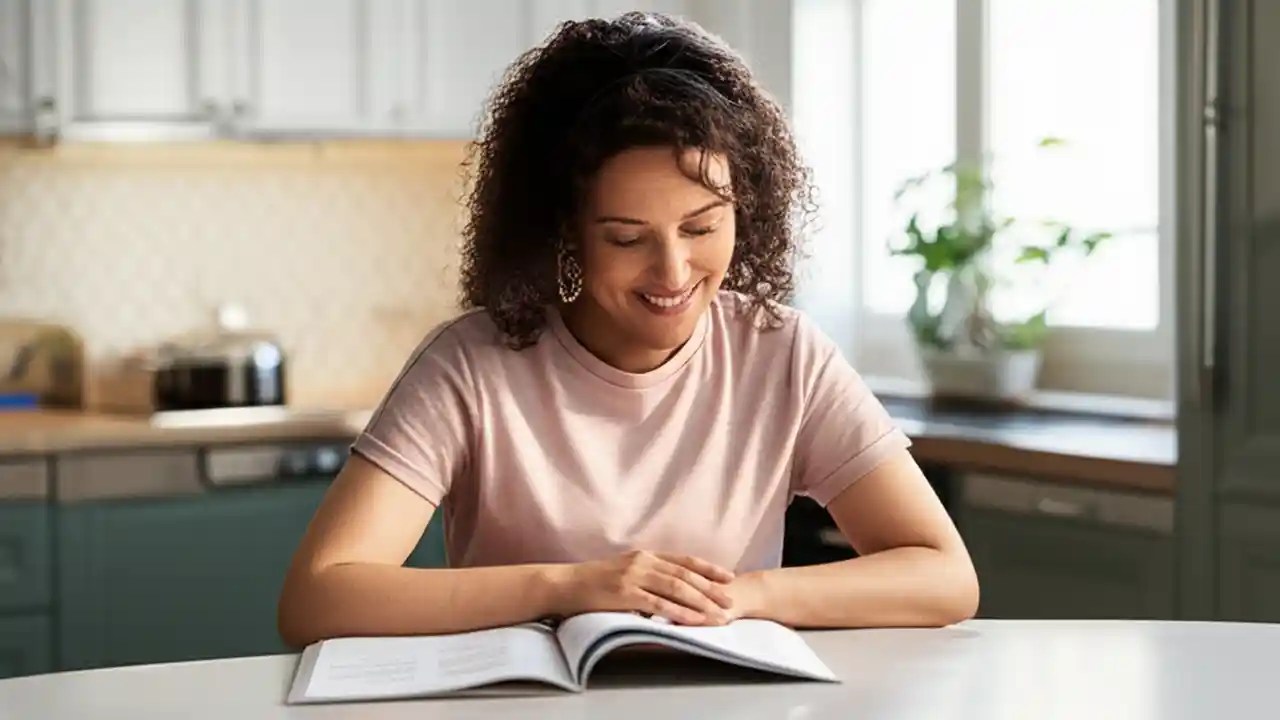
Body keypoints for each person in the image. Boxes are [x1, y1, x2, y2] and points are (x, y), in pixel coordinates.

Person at [277, 12, 978, 647]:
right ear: (566, 232)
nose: (673, 270)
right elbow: (318, 597)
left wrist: (741, 596)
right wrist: (573, 586)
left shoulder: (781, 352)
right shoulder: (471, 365)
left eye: (702, 227)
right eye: (625, 238)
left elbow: (945, 578)